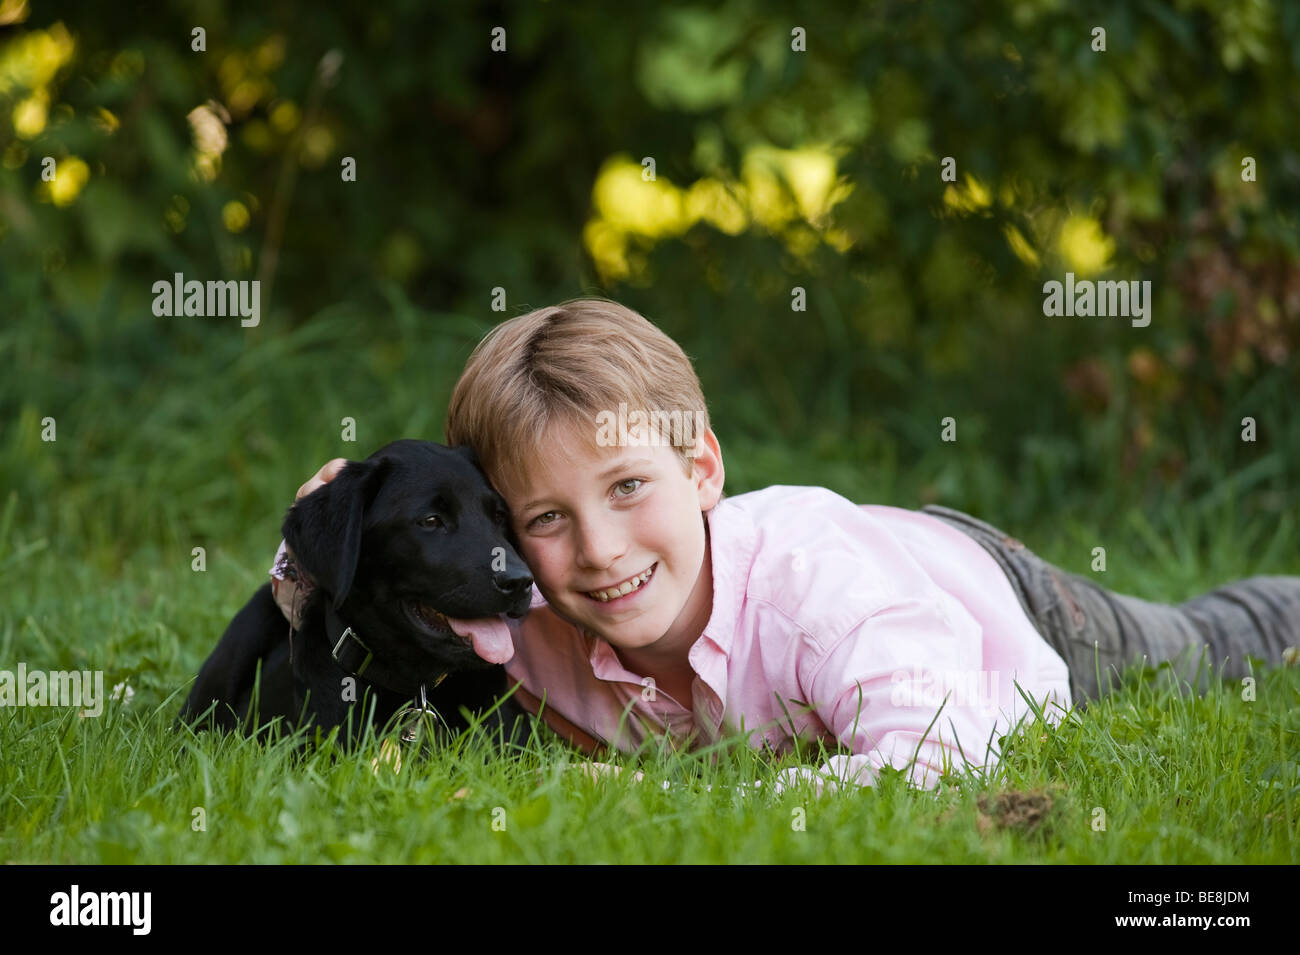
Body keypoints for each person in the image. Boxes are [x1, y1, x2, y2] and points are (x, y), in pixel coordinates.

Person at [268, 298, 1299, 791]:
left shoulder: (820, 597)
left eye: (631, 487)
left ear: (703, 468)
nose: (598, 549)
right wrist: (322, 533)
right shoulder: (521, 607)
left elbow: (941, 753)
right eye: (545, 517)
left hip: (1001, 601)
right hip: (884, 563)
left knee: (1208, 642)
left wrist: (712, 794)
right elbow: (362, 608)